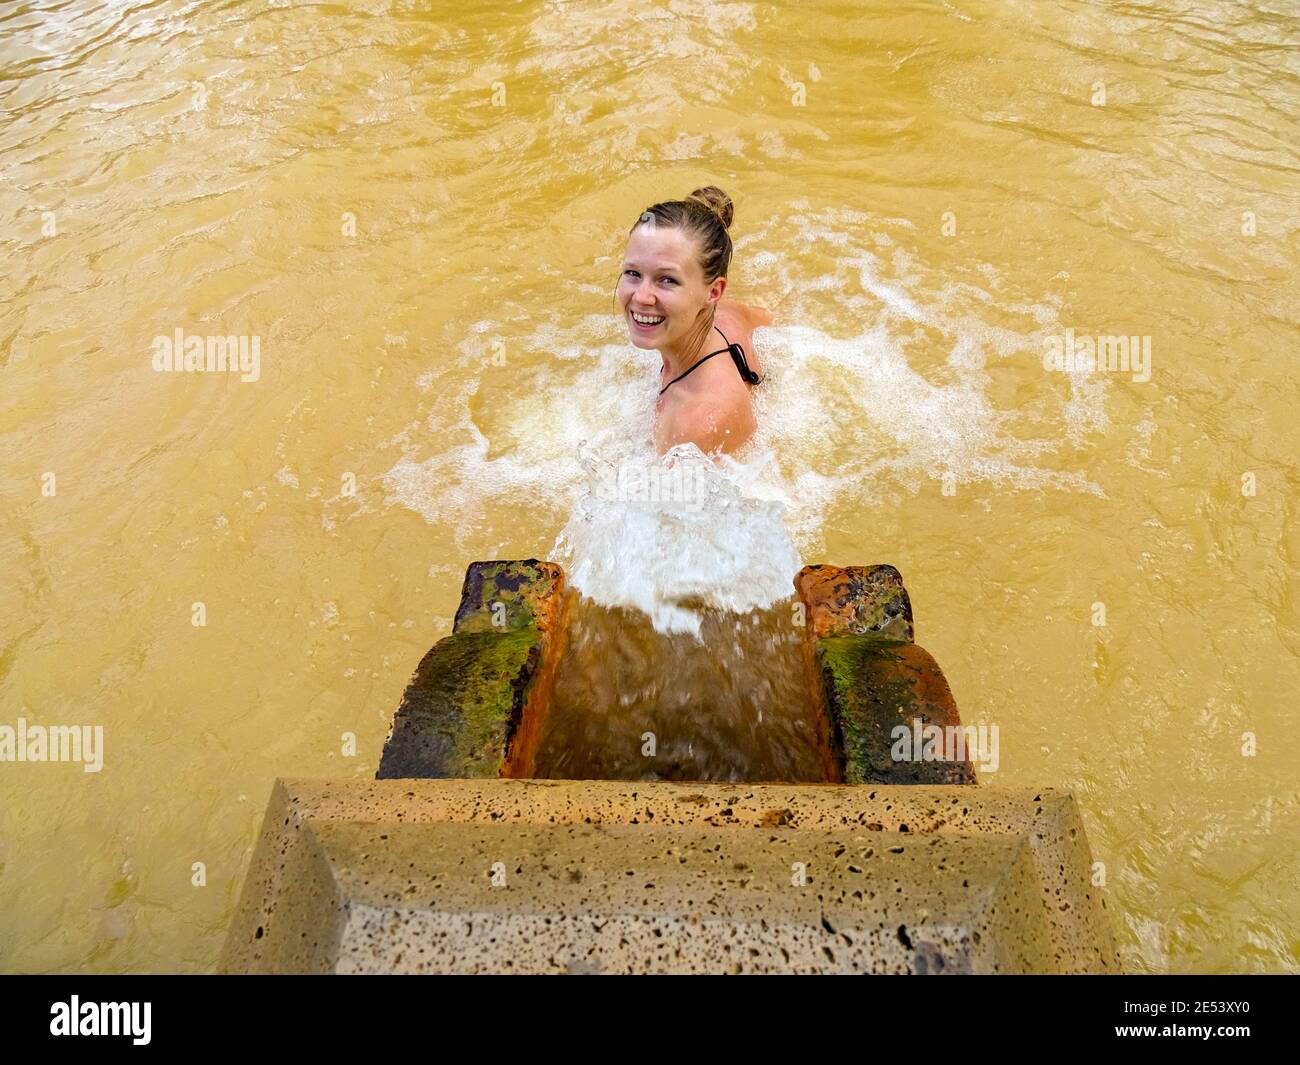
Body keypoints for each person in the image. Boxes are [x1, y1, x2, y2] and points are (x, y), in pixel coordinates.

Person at [617, 186, 774, 456]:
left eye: (667, 280)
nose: (641, 297)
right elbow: (771, 317)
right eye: (633, 273)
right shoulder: (726, 316)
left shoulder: (694, 426)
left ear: (713, 291)